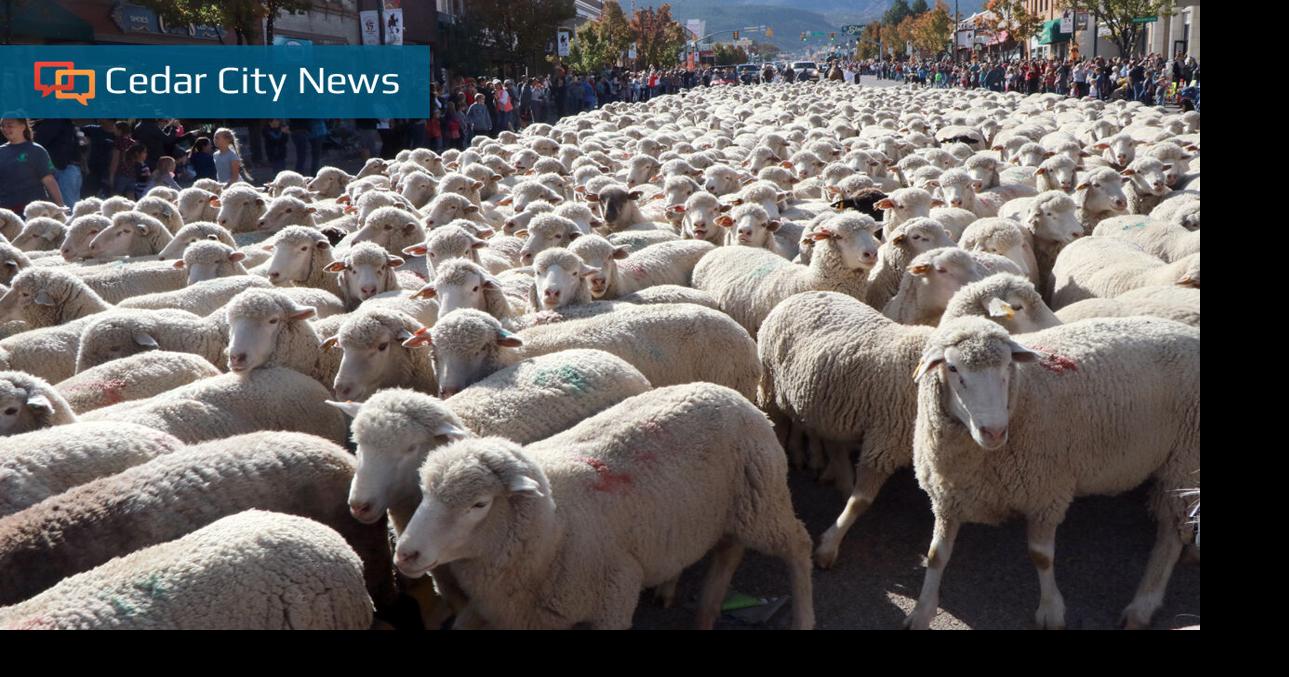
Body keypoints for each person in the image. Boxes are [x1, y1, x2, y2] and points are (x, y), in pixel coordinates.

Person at [0, 116, 65, 214]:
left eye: (10, 126)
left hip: (34, 212)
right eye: (2, 126)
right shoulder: (1, 151)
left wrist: (61, 206)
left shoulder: (37, 150)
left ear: (23, 127)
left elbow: (49, 180)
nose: (5, 129)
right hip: (6, 213)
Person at [33, 118, 81, 207]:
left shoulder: (66, 123)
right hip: (62, 169)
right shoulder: (56, 121)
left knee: (69, 206)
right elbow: (39, 143)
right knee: (69, 207)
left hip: (66, 169)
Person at [81, 119, 116, 198]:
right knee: (87, 196)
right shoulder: (92, 129)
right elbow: (76, 131)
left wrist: (112, 175)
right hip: (91, 170)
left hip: (107, 172)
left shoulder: (117, 134)